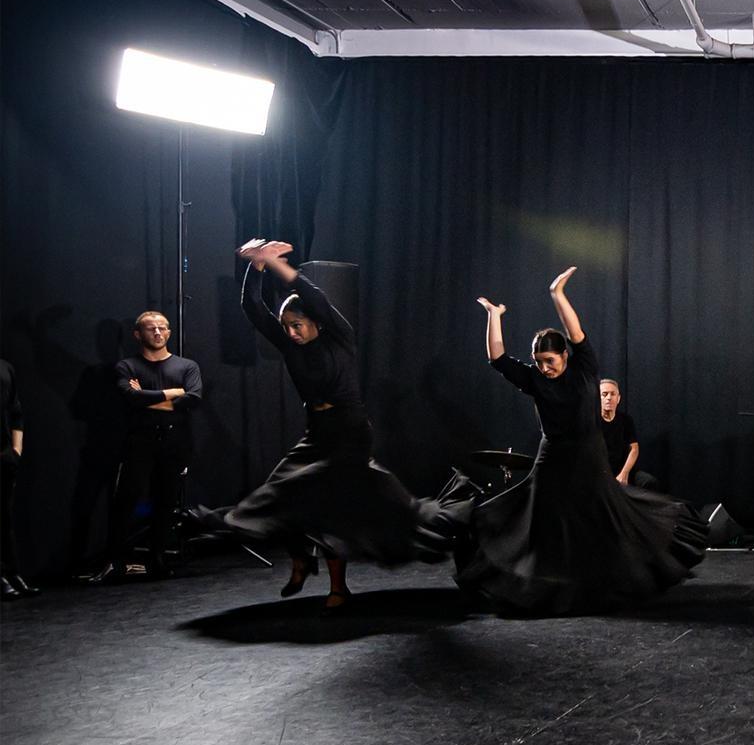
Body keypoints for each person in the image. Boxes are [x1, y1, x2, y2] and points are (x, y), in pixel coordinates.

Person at [224, 239, 466, 609]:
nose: (291, 333)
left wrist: (276, 264)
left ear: (316, 323)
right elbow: (252, 307)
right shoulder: (289, 345)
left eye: (297, 325)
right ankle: (301, 559)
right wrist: (256, 266)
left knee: (333, 508)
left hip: (350, 433)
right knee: (280, 493)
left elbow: (314, 295)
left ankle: (338, 588)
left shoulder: (341, 337)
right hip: (316, 433)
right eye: (286, 327)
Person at [457, 268, 706, 615]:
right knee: (544, 522)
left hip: (588, 456)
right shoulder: (533, 379)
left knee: (598, 520)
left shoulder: (584, 369)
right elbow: (497, 359)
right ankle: (546, 587)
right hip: (552, 458)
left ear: (564, 356)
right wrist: (494, 316)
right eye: (538, 362)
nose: (544, 368)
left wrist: (557, 294)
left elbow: (574, 333)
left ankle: (608, 582)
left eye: (550, 361)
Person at [94, 312, 203, 580]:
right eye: (151, 328)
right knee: (126, 499)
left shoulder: (187, 366)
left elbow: (193, 398)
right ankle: (115, 561)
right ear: (137, 334)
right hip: (139, 441)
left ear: (169, 332)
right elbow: (130, 398)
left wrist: (145, 397)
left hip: (174, 441)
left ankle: (157, 559)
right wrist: (172, 393)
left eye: (162, 328)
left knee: (165, 501)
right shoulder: (127, 366)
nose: (157, 332)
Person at [0, 357, 31, 598]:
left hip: (5, 455)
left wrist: (16, 449)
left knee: (5, 518)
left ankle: (12, 572)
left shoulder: (5, 367)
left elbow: (16, 409)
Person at [598, 379, 658, 489]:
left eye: (613, 394)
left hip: (624, 470)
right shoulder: (592, 421)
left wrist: (624, 474)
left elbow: (634, 449)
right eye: (604, 394)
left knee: (649, 482)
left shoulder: (625, 420)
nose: (609, 398)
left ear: (618, 398)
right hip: (601, 472)